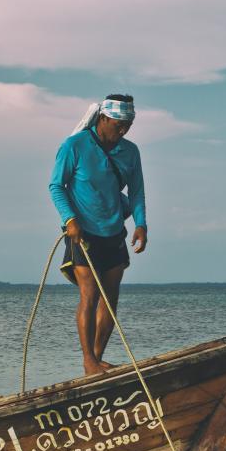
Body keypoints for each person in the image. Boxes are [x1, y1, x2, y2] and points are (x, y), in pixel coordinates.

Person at [49, 94, 147, 375]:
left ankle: (97, 357)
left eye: (128, 125)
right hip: (83, 233)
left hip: (114, 231)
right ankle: (88, 361)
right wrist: (69, 219)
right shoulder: (74, 145)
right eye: (119, 124)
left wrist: (141, 224)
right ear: (103, 119)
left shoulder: (130, 152)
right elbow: (56, 185)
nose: (123, 130)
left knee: (111, 298)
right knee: (89, 295)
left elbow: (137, 191)